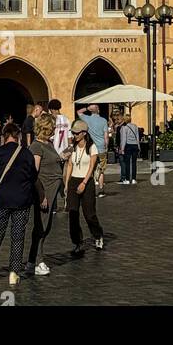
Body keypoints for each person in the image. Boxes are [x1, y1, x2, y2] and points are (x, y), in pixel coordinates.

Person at [0, 121, 37, 287]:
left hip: (1, 200)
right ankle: (13, 273)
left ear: (4, 137)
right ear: (18, 136)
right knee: (18, 237)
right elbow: (33, 176)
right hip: (21, 200)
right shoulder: (26, 154)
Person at [25, 113, 64, 276]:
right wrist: (42, 196)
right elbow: (34, 173)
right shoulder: (36, 146)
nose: (55, 128)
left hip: (52, 190)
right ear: (46, 128)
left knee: (45, 227)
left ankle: (33, 261)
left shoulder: (48, 144)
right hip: (44, 191)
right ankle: (37, 261)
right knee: (41, 227)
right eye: (53, 126)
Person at [64, 119, 105, 253]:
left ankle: (98, 235)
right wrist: (66, 183)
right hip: (73, 181)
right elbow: (69, 164)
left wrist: (84, 183)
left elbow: (92, 167)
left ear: (84, 133)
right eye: (73, 133)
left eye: (76, 133)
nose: (74, 135)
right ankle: (77, 242)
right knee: (73, 214)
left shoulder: (92, 147)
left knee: (89, 214)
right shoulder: (72, 147)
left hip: (86, 181)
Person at [78, 104, 109, 196]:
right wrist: (106, 147)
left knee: (90, 168)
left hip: (91, 147)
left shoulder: (87, 119)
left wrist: (87, 108)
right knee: (101, 169)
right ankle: (101, 190)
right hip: (101, 147)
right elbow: (106, 136)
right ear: (98, 110)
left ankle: (90, 190)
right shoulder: (103, 120)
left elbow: (79, 112)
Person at [117, 115, 141, 184]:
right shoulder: (135, 126)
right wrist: (138, 147)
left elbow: (123, 139)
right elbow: (137, 137)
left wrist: (122, 149)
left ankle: (127, 179)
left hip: (128, 146)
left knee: (127, 163)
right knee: (134, 163)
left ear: (125, 120)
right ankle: (133, 179)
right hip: (135, 146)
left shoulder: (124, 128)